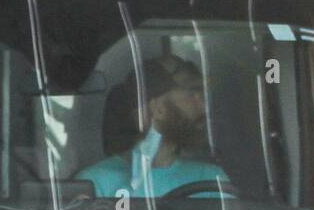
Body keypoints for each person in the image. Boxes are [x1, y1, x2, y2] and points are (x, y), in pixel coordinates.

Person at [76, 55, 230, 198]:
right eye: (192, 94)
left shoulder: (211, 179)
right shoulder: (95, 183)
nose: (203, 107)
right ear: (159, 108)